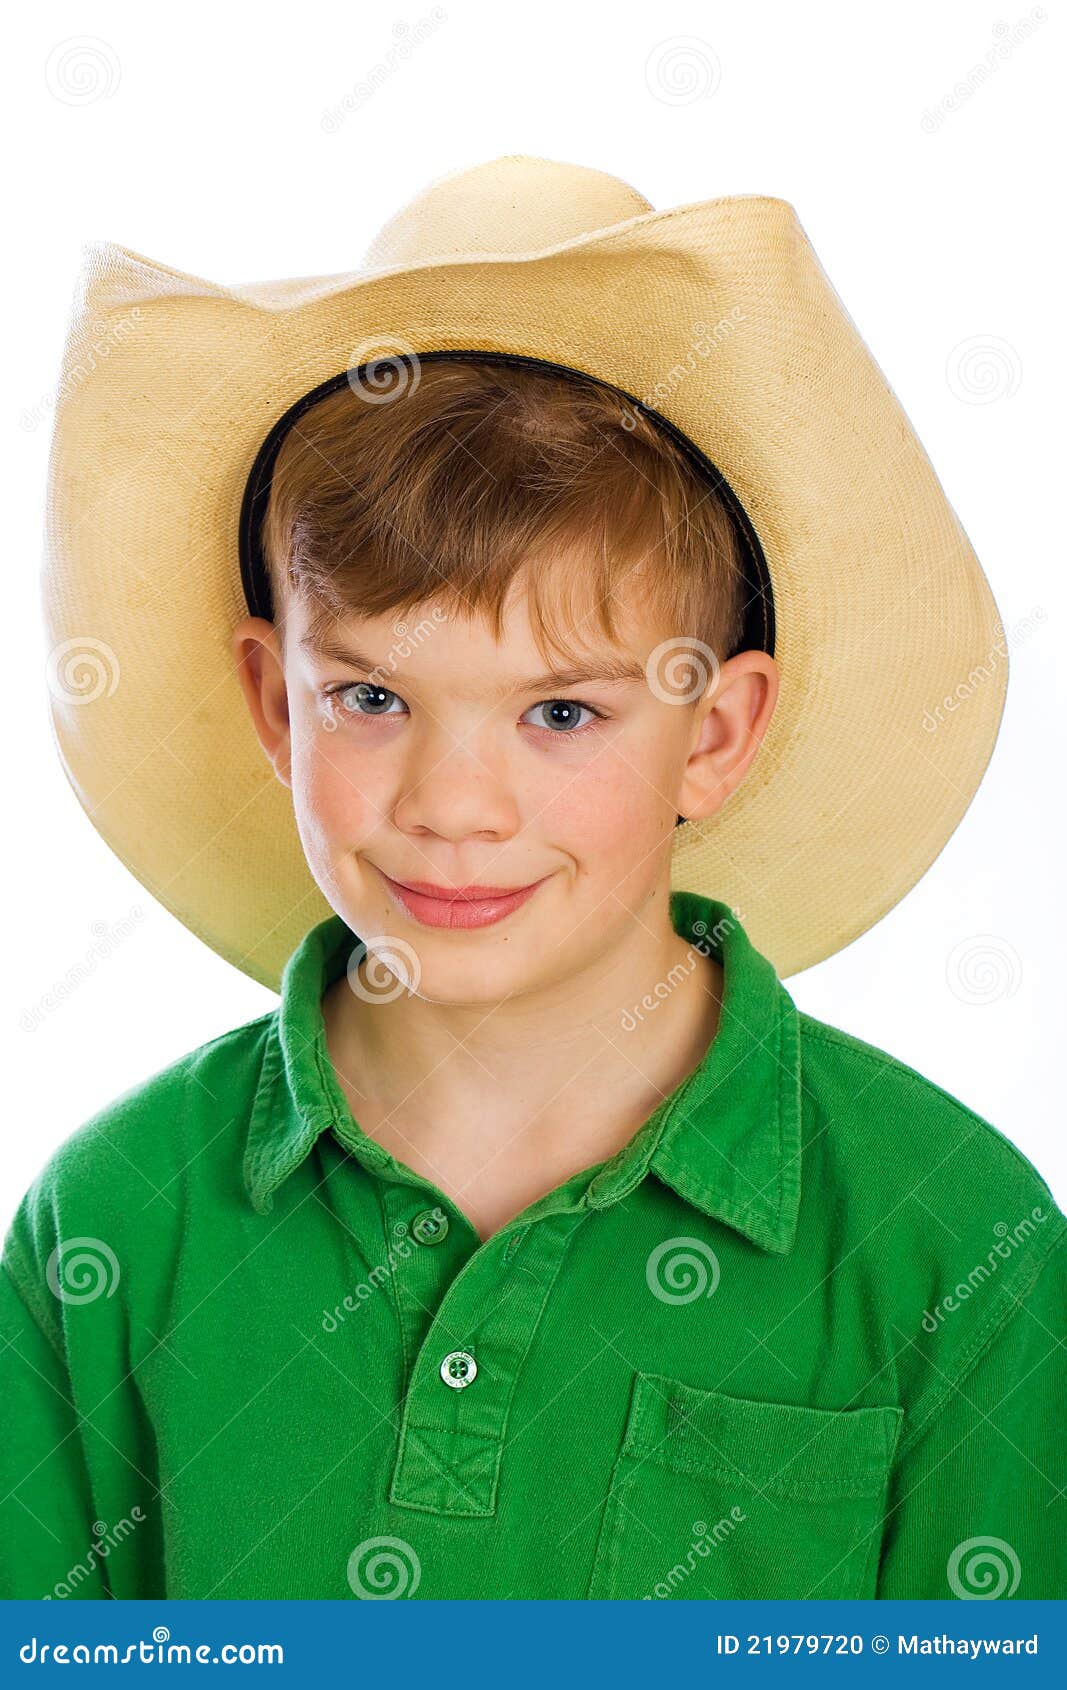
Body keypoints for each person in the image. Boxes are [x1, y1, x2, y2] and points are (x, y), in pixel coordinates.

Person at [2, 157, 1062, 1600]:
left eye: (561, 713)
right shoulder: (115, 1225)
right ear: (273, 698)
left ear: (719, 731)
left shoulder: (951, 1239)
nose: (452, 806)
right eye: (372, 698)